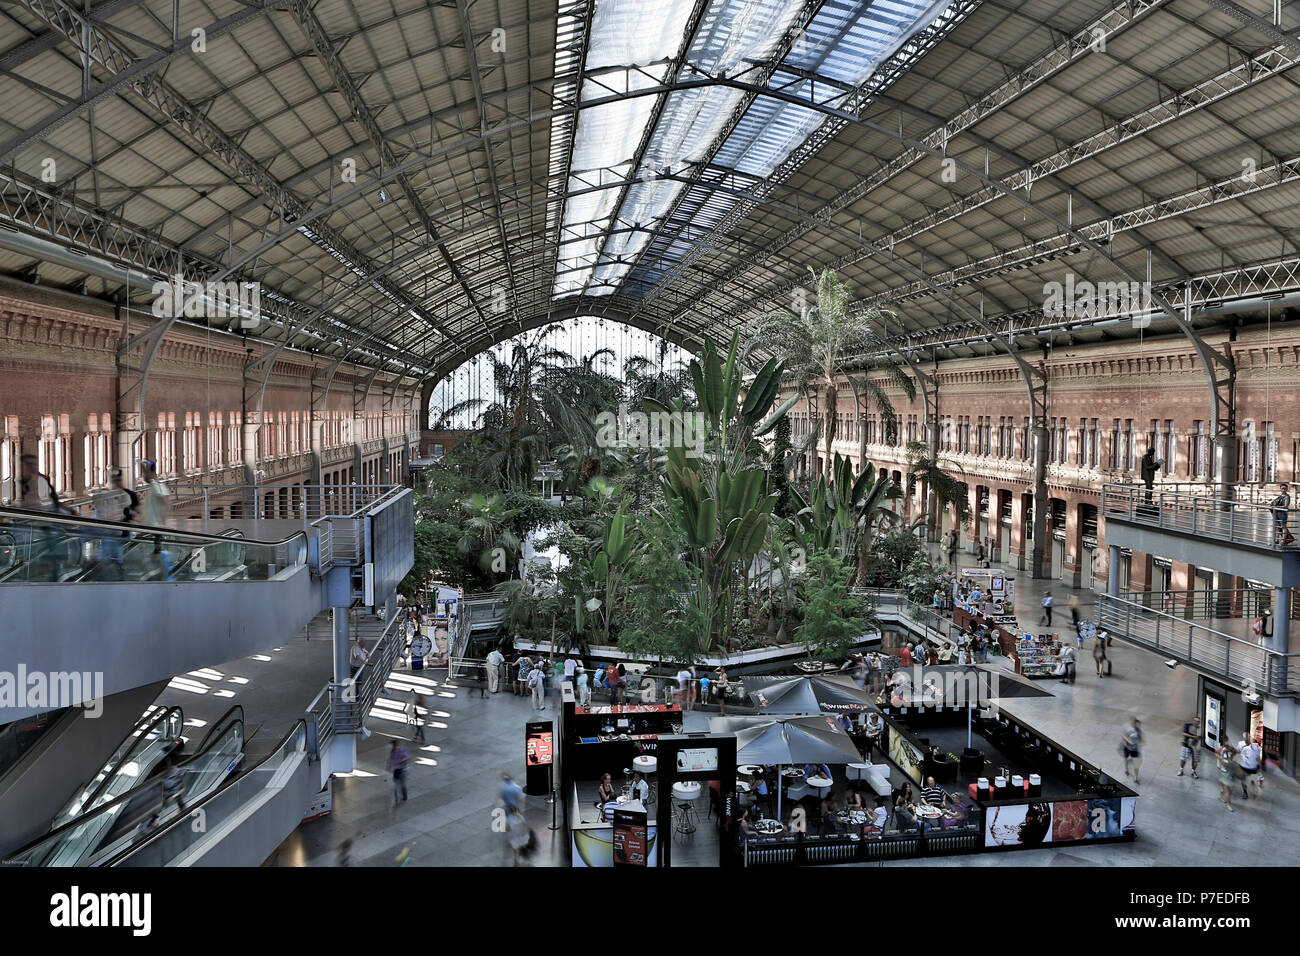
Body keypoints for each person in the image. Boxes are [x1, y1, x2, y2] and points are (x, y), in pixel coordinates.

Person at [1120, 718, 1144, 784]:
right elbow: (1122, 734)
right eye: (1136, 725)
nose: (1138, 726)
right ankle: (1126, 769)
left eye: (1139, 725)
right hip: (1127, 748)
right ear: (1133, 724)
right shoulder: (1129, 730)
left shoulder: (1140, 732)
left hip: (1135, 750)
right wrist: (1129, 741)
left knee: (1136, 764)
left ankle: (1135, 778)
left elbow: (1142, 740)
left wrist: (1141, 743)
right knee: (1126, 759)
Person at [386, 740, 409, 806]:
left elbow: (407, 756)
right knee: (396, 785)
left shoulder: (400, 750)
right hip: (396, 770)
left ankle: (404, 796)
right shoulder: (392, 752)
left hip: (402, 769)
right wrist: (389, 766)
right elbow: (390, 760)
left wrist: (401, 760)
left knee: (402, 784)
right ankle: (396, 799)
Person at [1216, 743, 1237, 812]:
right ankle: (1228, 804)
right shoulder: (1222, 750)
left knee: (1225, 789)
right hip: (1224, 772)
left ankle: (1221, 797)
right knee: (1228, 790)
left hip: (1229, 772)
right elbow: (1217, 755)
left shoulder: (1230, 752)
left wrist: (1231, 749)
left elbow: (1235, 752)